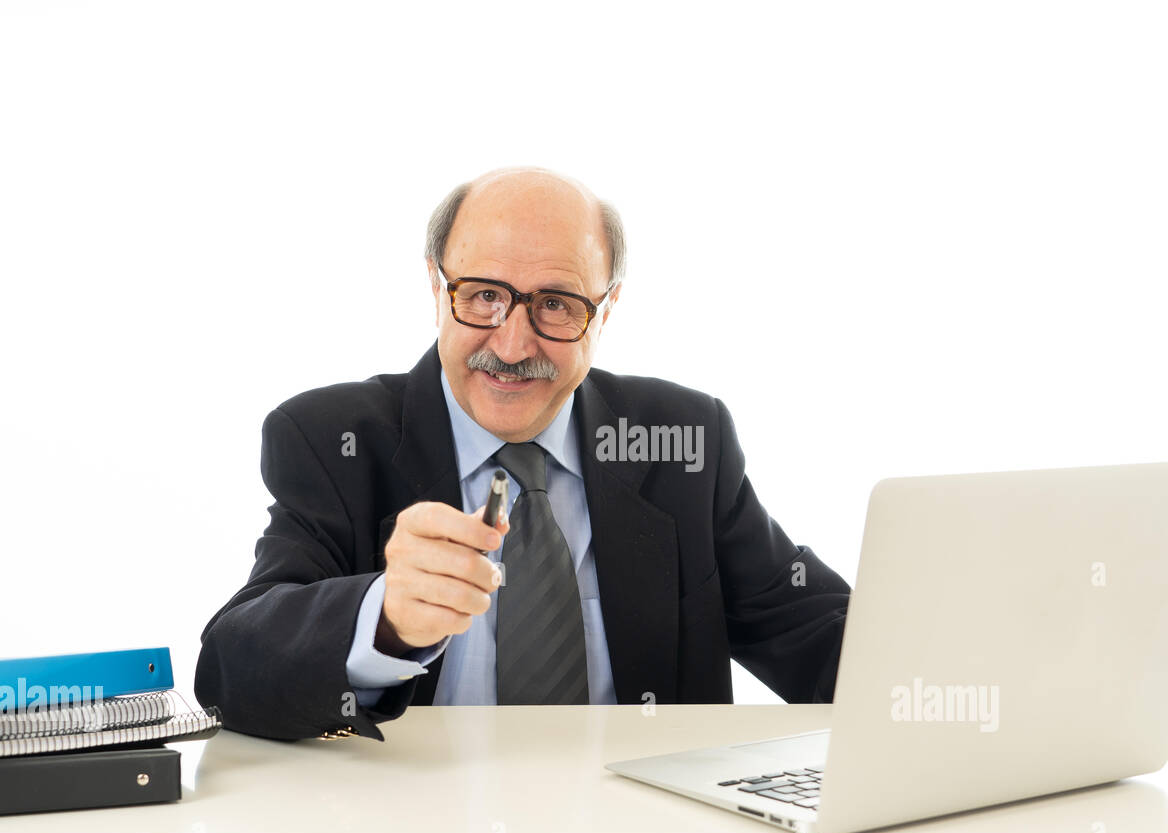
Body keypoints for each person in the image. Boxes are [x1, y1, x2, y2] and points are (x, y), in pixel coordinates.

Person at [195, 166, 849, 742]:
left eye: (556, 305)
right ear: (435, 286)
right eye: (483, 295)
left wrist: (935, 679)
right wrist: (384, 617)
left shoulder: (681, 439)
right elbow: (230, 668)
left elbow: (811, 628)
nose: (511, 346)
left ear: (607, 309)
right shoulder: (332, 438)